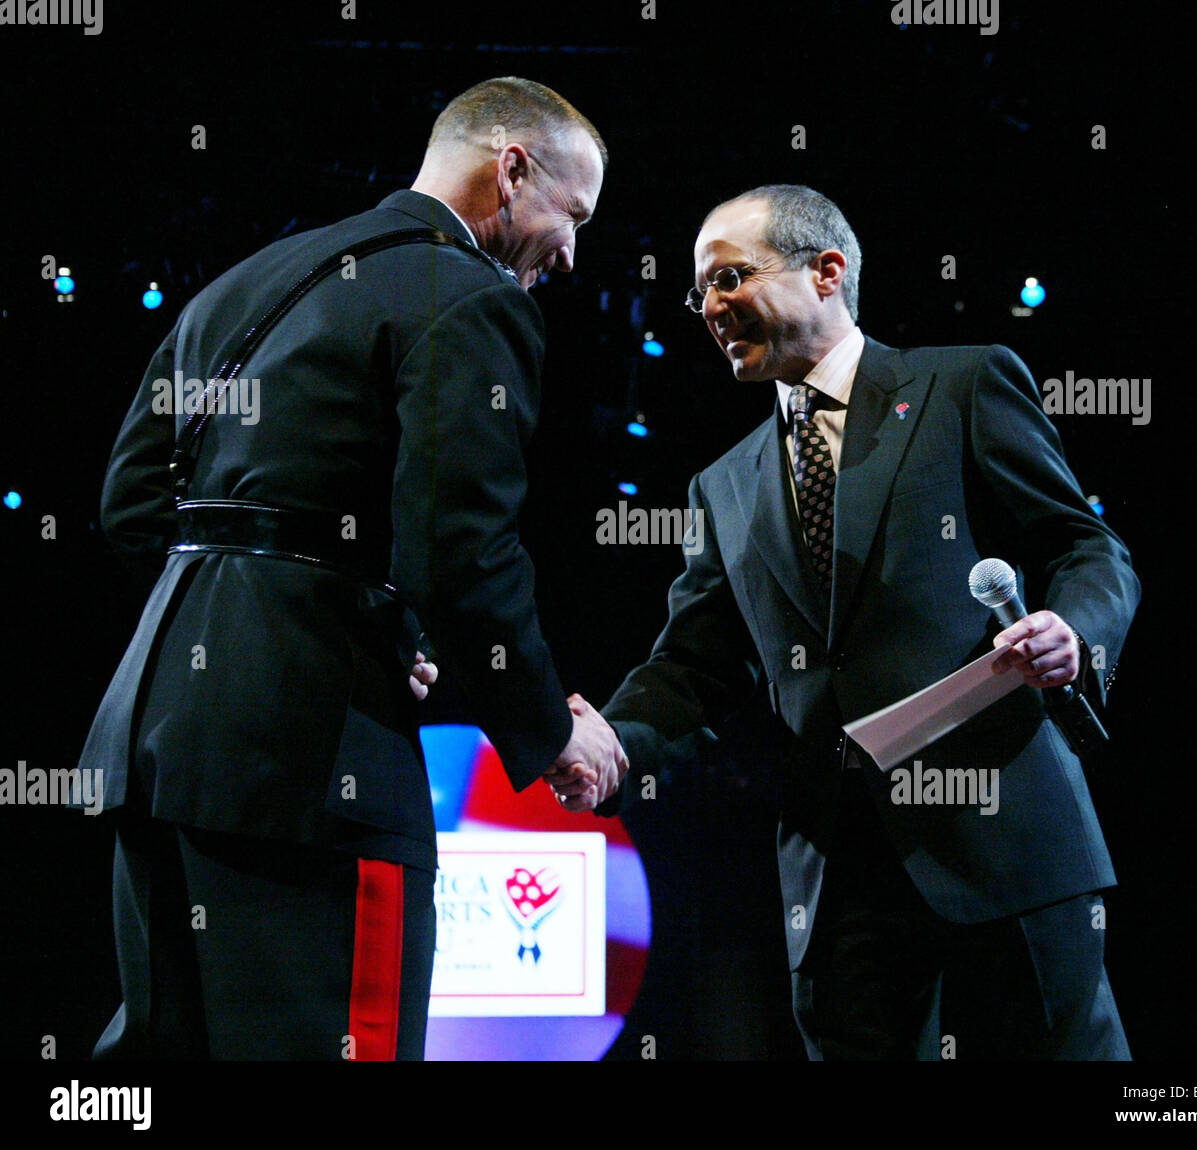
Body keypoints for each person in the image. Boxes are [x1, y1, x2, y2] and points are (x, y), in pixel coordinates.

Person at [78, 76, 626, 1061]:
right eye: (571, 212)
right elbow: (462, 556)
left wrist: (328, 612)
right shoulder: (469, 301)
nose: (573, 249)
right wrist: (550, 733)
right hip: (311, 767)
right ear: (510, 171)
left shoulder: (246, 280)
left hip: (156, 748)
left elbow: (130, 507)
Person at [551, 184, 1139, 1060]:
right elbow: (696, 669)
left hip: (1004, 829)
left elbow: (1088, 547)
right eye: (697, 291)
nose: (709, 307)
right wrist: (616, 740)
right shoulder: (725, 483)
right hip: (837, 874)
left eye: (730, 277)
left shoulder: (964, 383)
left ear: (827, 272)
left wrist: (1072, 633)